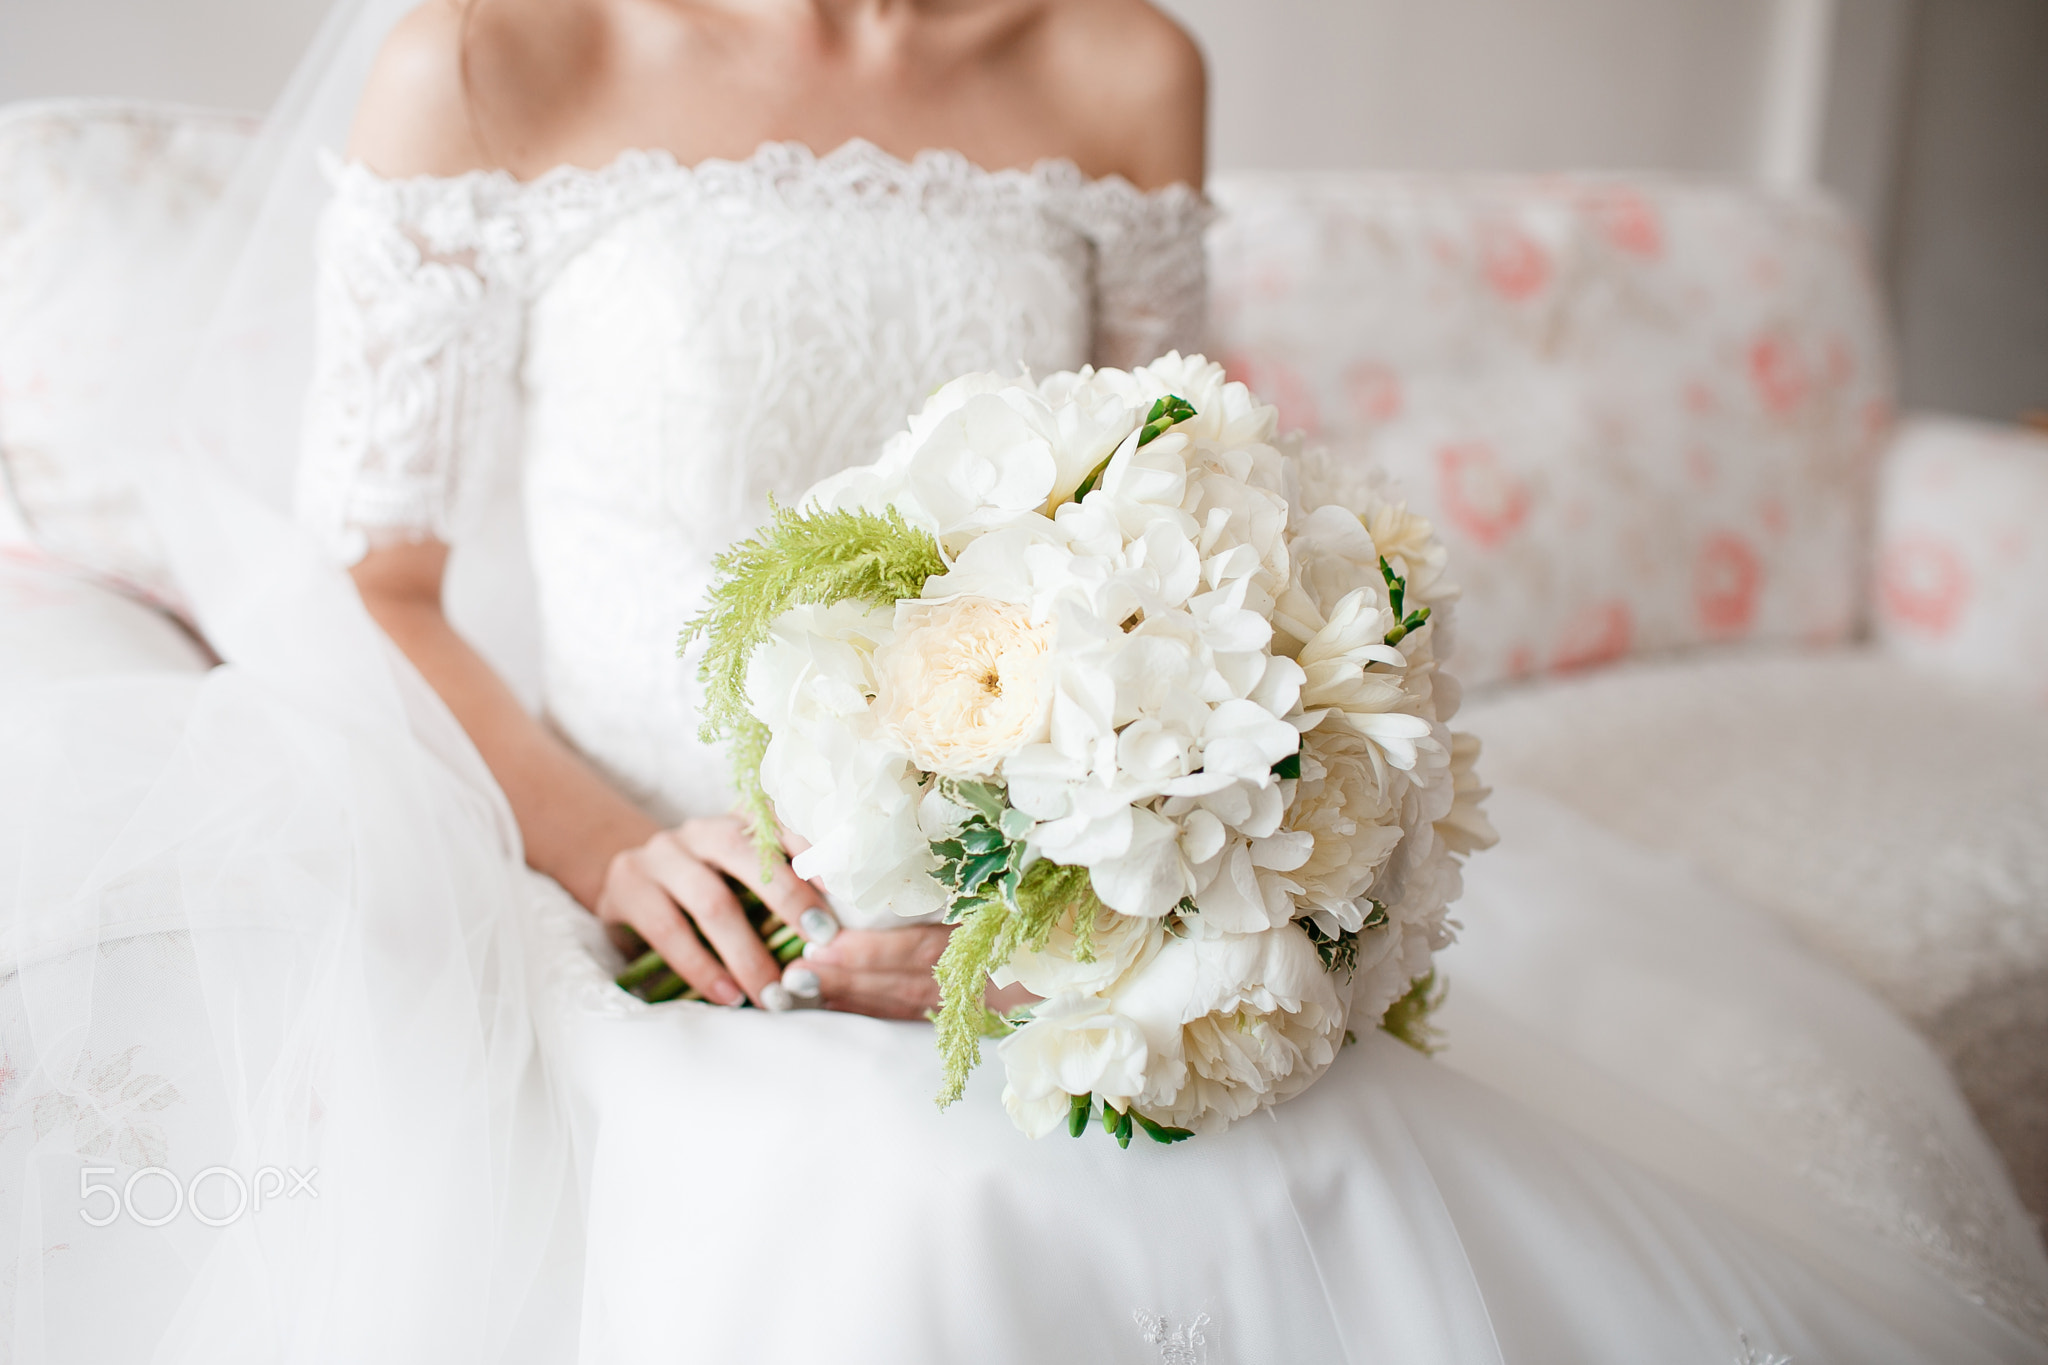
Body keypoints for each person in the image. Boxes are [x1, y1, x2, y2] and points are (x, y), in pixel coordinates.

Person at [2, 1, 2045, 1359]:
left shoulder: (1122, 65)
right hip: (661, 892)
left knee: (1302, 1166)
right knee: (905, 1219)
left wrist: (1120, 873)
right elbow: (380, 582)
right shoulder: (497, 50)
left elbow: (1177, 501)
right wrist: (626, 854)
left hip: (1045, 871)